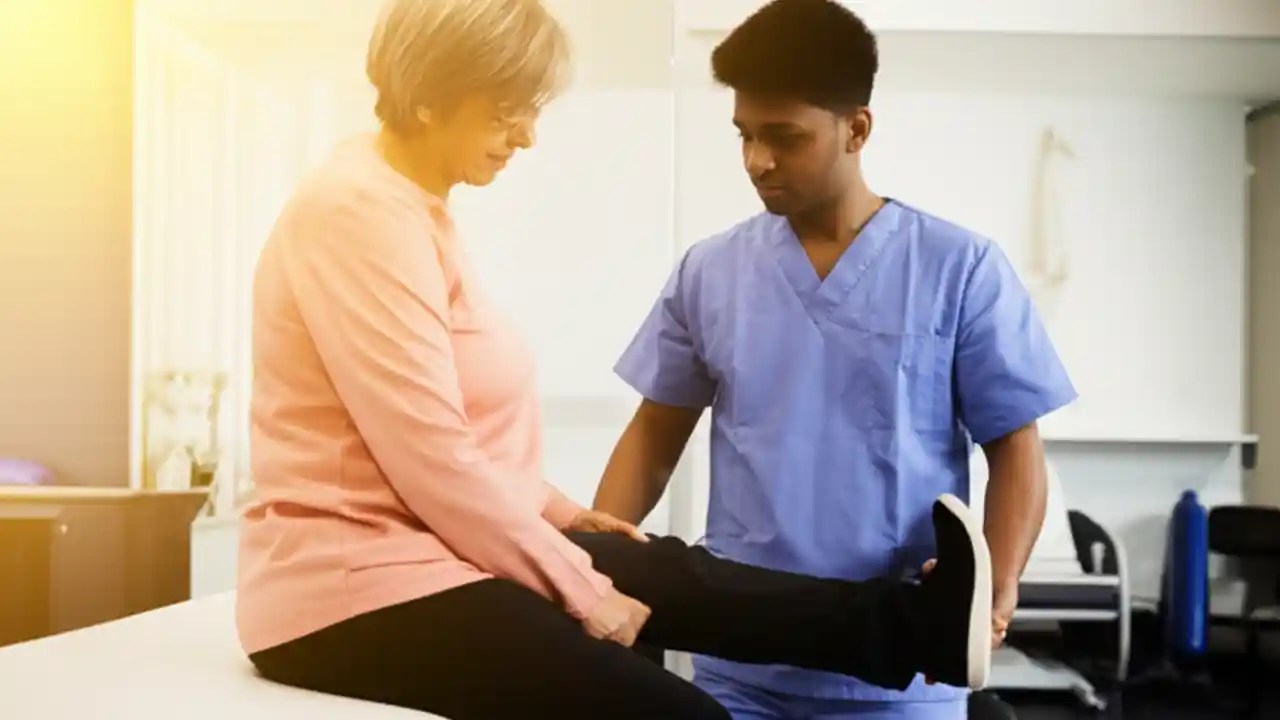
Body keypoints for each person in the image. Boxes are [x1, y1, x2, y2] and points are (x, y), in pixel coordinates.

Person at [235, 1, 996, 719]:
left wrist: (572, 520)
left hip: (419, 555)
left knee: (669, 569)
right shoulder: (357, 215)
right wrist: (581, 586)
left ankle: (922, 626)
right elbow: (432, 458)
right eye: (509, 109)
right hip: (353, 590)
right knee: (681, 711)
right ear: (431, 95)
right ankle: (910, 627)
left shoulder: (411, 213)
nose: (527, 135)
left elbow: (452, 444)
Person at [594, 0, 1078, 719]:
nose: (758, 160)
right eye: (746, 135)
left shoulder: (958, 268)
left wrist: (993, 589)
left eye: (784, 137)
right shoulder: (711, 270)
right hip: (738, 665)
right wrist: (588, 570)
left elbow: (1015, 447)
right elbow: (654, 435)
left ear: (857, 128)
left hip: (900, 673)